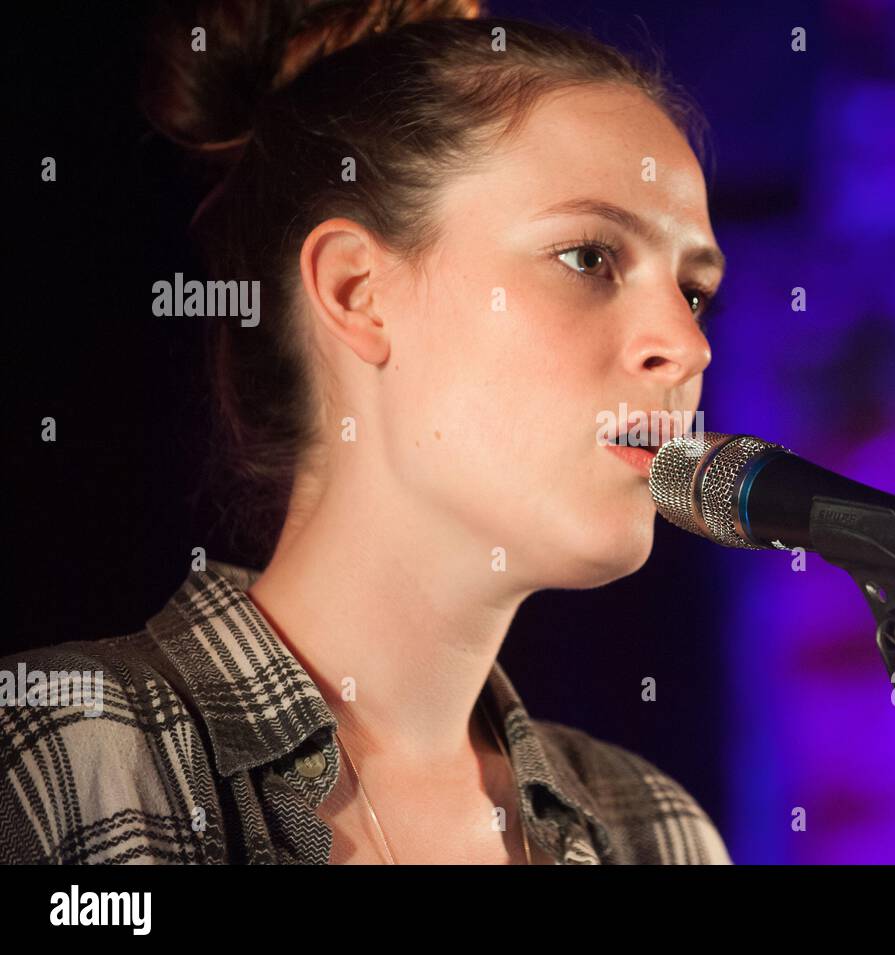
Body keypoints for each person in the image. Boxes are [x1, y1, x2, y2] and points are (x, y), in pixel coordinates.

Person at [0, 0, 731, 865]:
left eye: (693, 290)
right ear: (357, 291)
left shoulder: (656, 834)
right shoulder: (66, 767)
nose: (688, 346)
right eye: (589, 258)